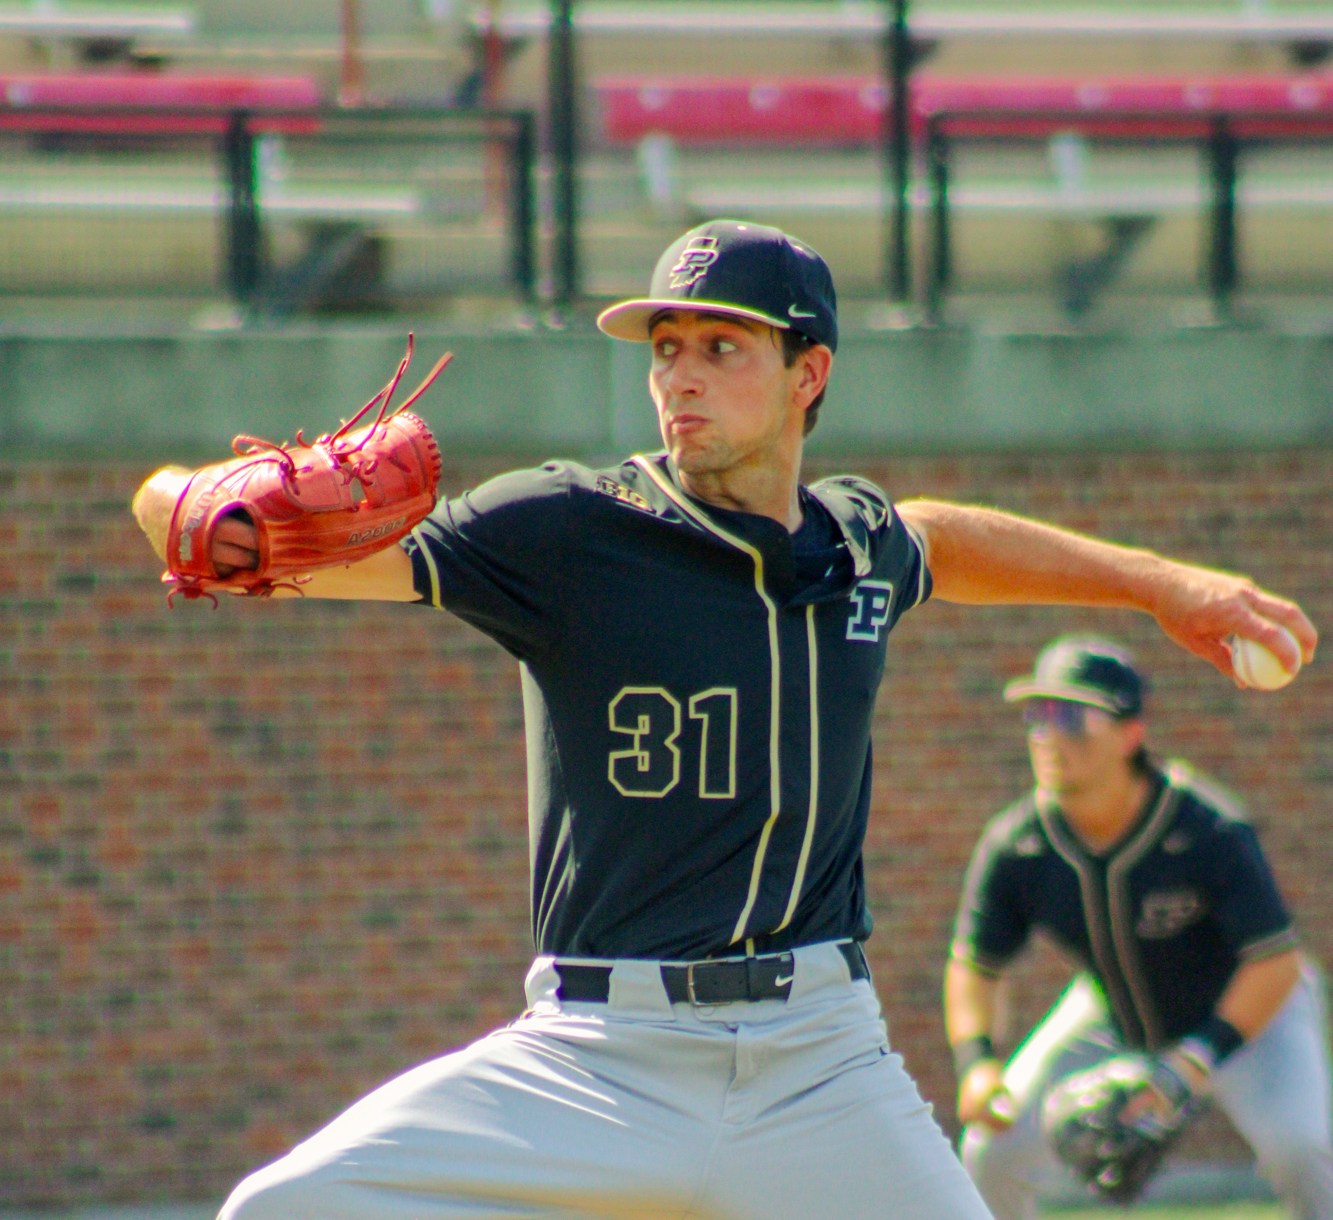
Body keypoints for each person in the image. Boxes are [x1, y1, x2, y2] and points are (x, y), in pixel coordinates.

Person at [131, 219, 1317, 1220]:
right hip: (598, 1052)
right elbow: (229, 540)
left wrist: (1163, 584)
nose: (679, 374)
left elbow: (945, 538)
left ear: (808, 371)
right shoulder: (561, 527)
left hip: (822, 1058)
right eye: (665, 347)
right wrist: (191, 506)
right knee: (282, 1208)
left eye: (720, 344)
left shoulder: (856, 540)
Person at [944, 634, 1333, 1219]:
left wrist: (1195, 1061)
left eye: (1072, 716)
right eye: (1038, 715)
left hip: (1252, 1017)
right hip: (1114, 1010)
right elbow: (975, 965)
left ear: (1130, 733)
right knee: (990, 1150)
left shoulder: (1206, 827)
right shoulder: (1019, 843)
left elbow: (1274, 959)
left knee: (1302, 1151)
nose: (1049, 735)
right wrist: (977, 1064)